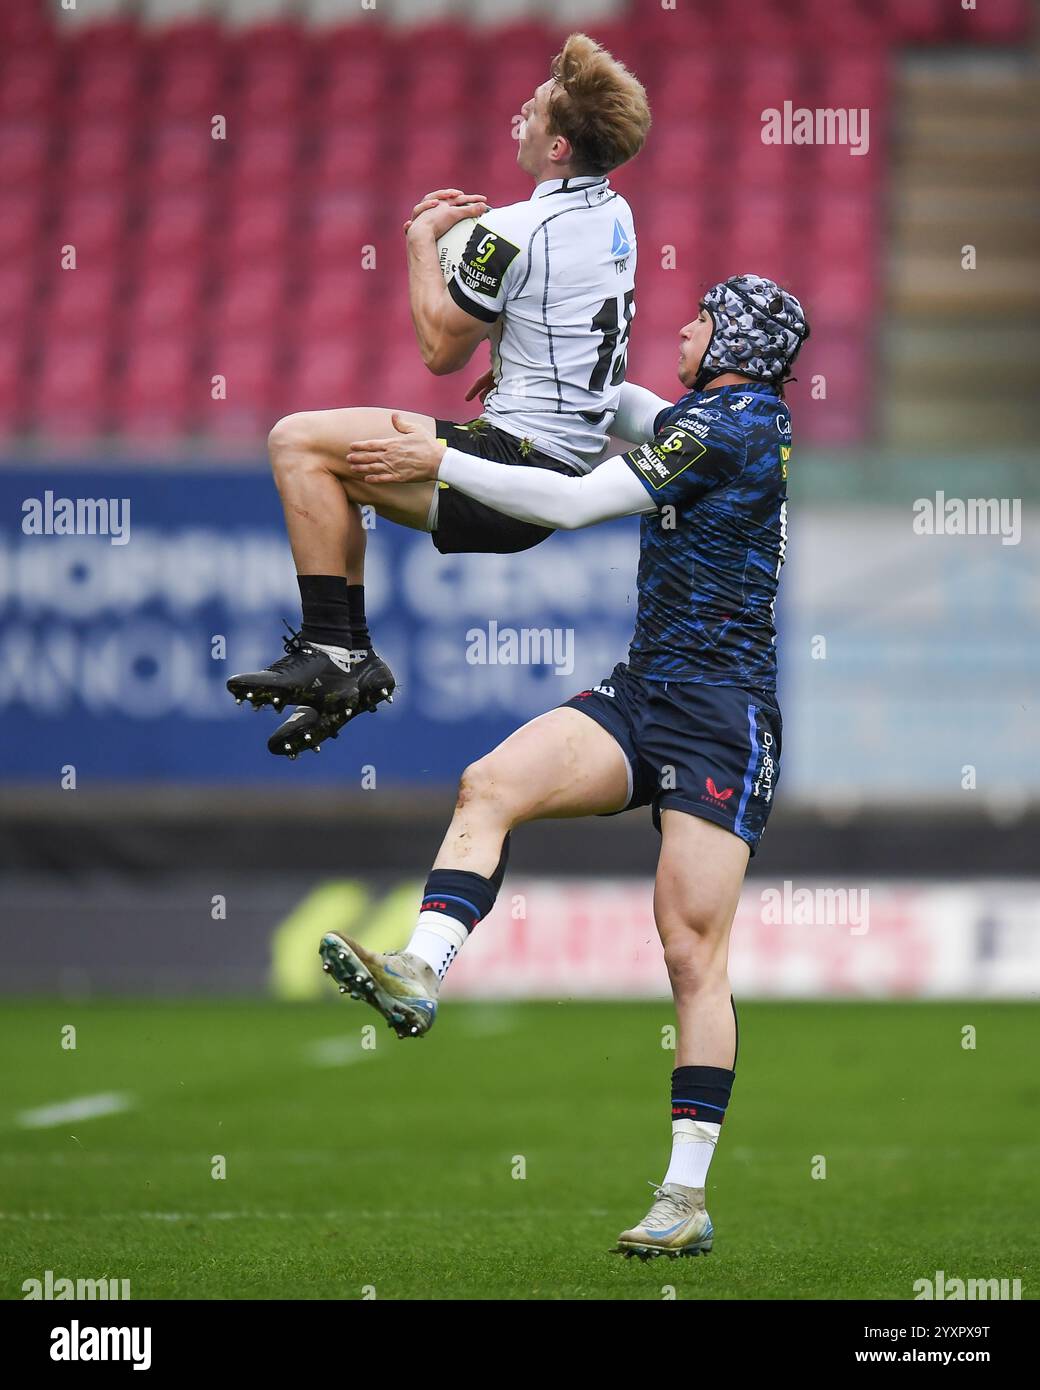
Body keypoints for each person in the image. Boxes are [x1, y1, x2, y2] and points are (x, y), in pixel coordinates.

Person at [319, 274, 810, 1259]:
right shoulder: (719, 412)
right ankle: (421, 968)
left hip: (722, 719)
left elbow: (583, 502)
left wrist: (443, 455)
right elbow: (623, 406)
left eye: (699, 318)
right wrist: (531, 362)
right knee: (489, 784)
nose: (681, 325)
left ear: (734, 340)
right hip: (645, 694)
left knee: (687, 954)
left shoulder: (734, 425)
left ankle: (683, 1193)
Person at [225, 33, 650, 758]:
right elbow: (568, 316)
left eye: (537, 108)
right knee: (332, 469)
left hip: (508, 464)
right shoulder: (618, 215)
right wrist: (516, 362)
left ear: (558, 149)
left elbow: (437, 351)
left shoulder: (511, 230)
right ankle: (345, 658)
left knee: (296, 442)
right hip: (552, 461)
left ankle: (338, 653)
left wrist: (422, 241)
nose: (523, 111)